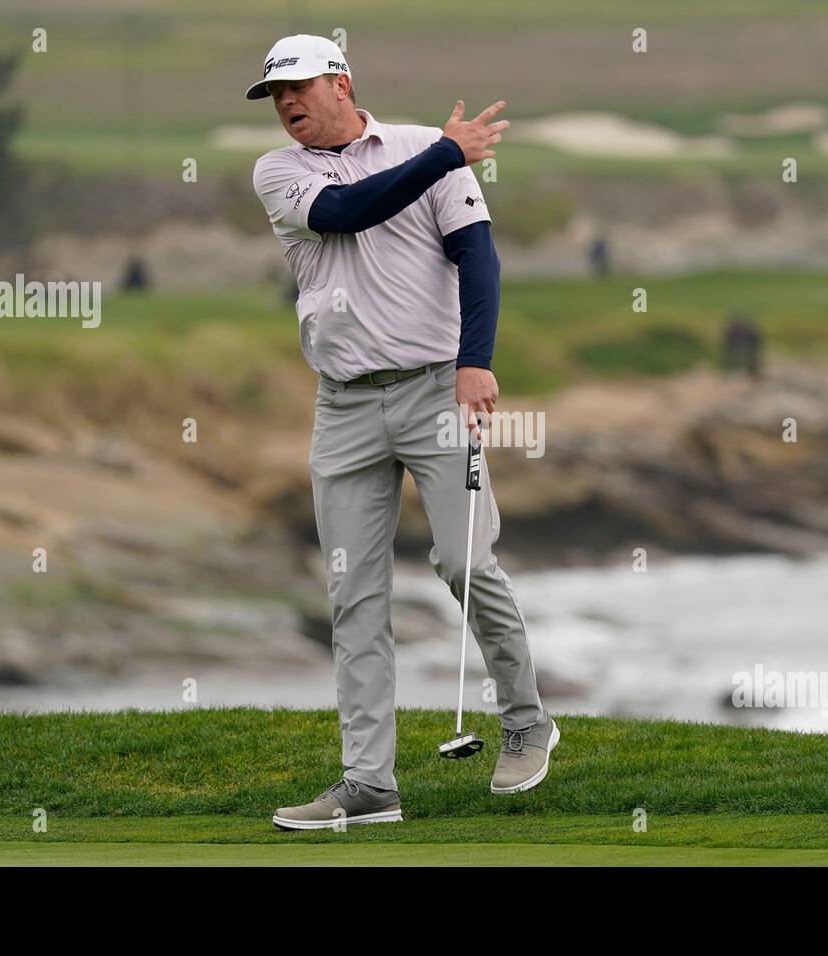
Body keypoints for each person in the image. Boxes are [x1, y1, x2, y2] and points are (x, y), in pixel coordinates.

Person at [248, 35, 558, 830]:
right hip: (344, 406)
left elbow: (477, 259)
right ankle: (369, 785)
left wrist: (475, 361)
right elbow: (352, 210)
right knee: (354, 594)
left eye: (299, 88)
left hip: (434, 394)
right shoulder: (279, 173)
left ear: (341, 82)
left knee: (462, 561)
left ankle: (525, 720)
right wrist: (450, 155)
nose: (286, 105)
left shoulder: (425, 147)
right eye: (275, 95)